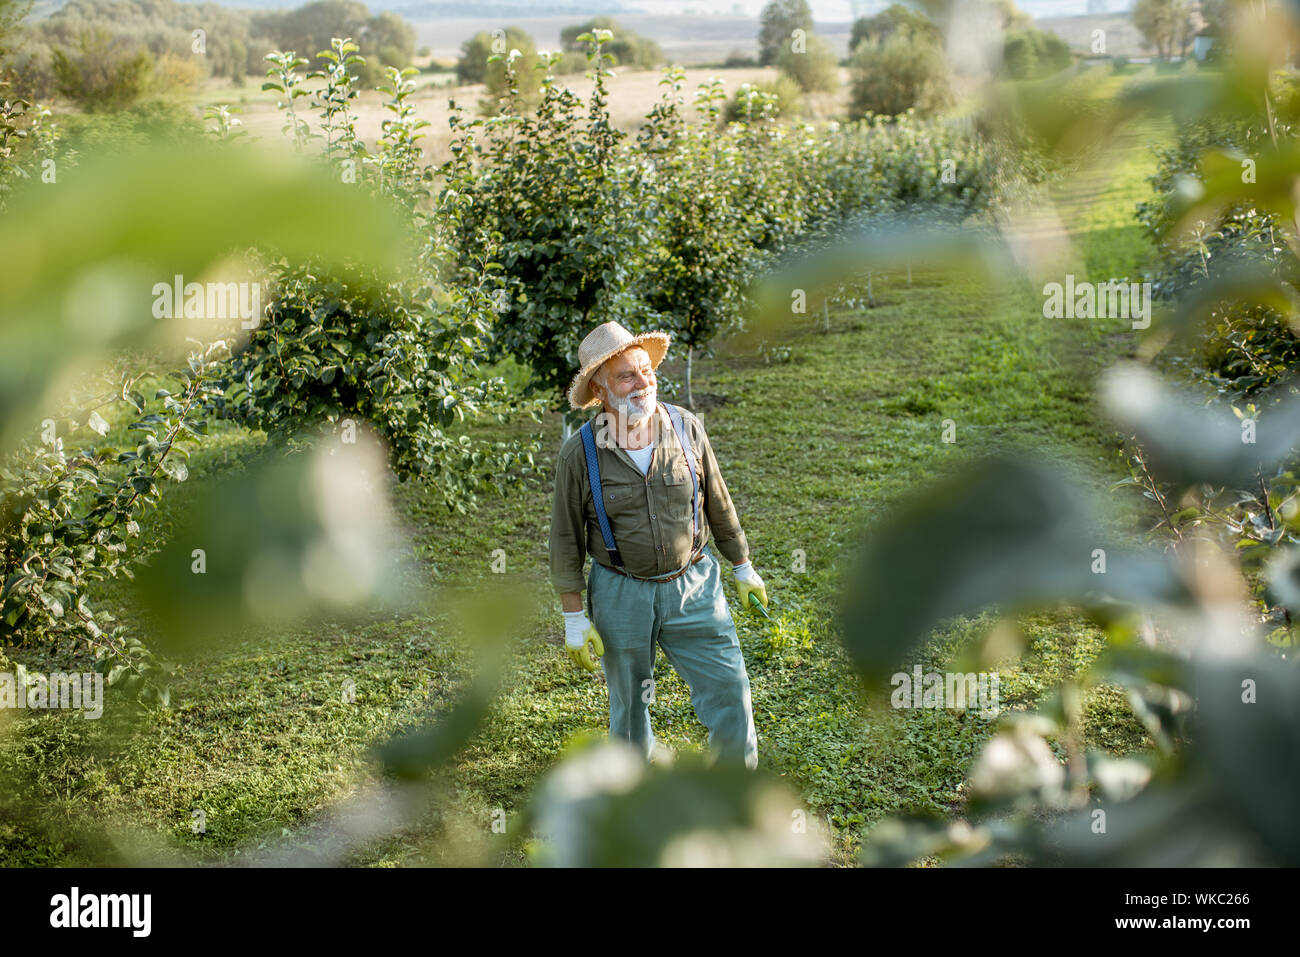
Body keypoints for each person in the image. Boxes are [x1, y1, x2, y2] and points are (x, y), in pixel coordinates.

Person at [548, 320, 768, 769]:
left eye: (646, 370)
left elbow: (718, 503)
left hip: (695, 586)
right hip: (620, 591)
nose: (642, 383)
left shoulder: (686, 427)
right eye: (626, 375)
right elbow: (565, 540)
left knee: (730, 687)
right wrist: (574, 617)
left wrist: (742, 565)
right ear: (600, 389)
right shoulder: (580, 453)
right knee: (629, 708)